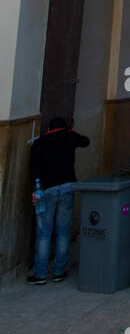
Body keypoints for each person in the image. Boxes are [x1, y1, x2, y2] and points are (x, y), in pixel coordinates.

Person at [28, 115, 90, 284]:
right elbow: (86, 141)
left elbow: (34, 170)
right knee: (63, 232)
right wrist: (70, 133)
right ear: (65, 128)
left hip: (46, 191)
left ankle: (40, 274)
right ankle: (59, 271)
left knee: (43, 234)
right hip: (67, 189)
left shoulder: (39, 143)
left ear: (49, 129)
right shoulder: (70, 137)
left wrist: (35, 191)